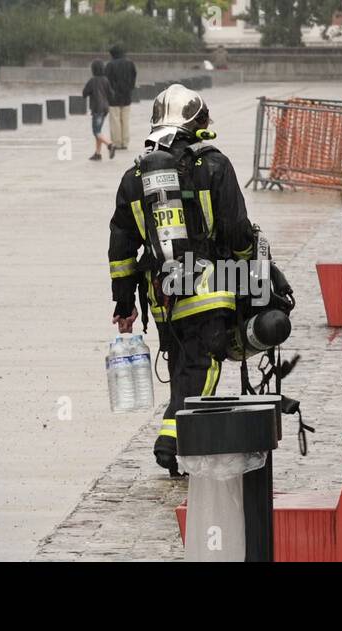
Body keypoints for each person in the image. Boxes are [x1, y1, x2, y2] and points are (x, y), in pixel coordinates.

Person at [108, 85, 255, 474]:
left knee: (183, 367)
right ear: (197, 124)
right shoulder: (214, 165)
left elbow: (121, 251)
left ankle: (182, 449)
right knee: (204, 366)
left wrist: (124, 307)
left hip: (162, 298)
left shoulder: (134, 177)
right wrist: (248, 273)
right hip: (210, 288)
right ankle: (172, 440)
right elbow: (237, 230)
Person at [104, 45, 137, 150]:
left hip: (113, 98)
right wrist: (130, 88)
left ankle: (117, 143)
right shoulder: (130, 64)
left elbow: (107, 81)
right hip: (127, 96)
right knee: (125, 120)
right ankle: (125, 142)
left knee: (115, 120)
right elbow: (133, 77)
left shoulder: (110, 65)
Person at [83, 60, 115, 161]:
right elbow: (111, 94)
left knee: (96, 131)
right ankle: (97, 154)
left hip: (97, 109)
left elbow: (84, 93)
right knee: (99, 131)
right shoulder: (105, 80)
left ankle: (110, 145)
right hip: (105, 108)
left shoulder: (92, 81)